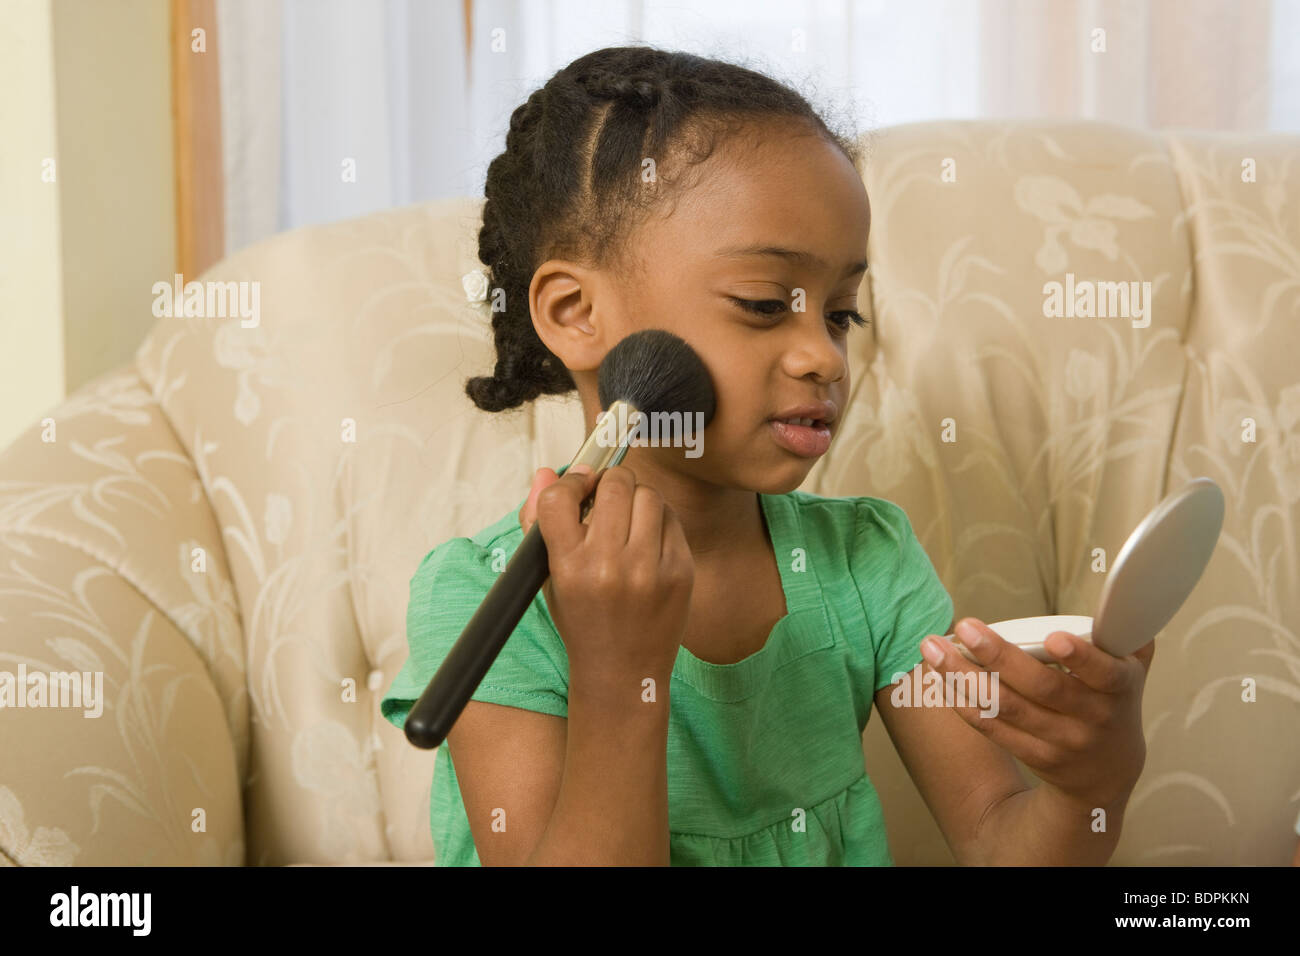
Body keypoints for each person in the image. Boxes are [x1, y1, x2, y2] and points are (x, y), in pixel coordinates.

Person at [381, 45, 1153, 866]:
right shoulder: (480, 600)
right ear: (575, 314)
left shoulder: (865, 562)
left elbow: (1000, 842)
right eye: (760, 304)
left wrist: (1090, 789)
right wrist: (617, 676)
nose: (822, 355)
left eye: (841, 313)